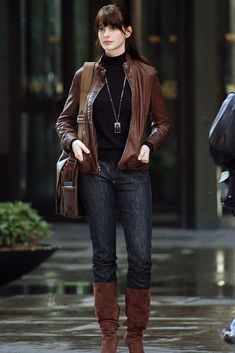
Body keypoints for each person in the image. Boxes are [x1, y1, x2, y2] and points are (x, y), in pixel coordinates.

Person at [56, 4, 171, 353]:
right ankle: (109, 336)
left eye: (112, 27)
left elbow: (162, 122)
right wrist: (73, 141)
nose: (105, 34)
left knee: (141, 256)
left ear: (127, 32)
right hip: (96, 173)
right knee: (103, 255)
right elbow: (64, 120)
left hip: (133, 172)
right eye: (101, 28)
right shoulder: (86, 75)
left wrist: (150, 144)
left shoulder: (146, 74)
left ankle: (134, 336)